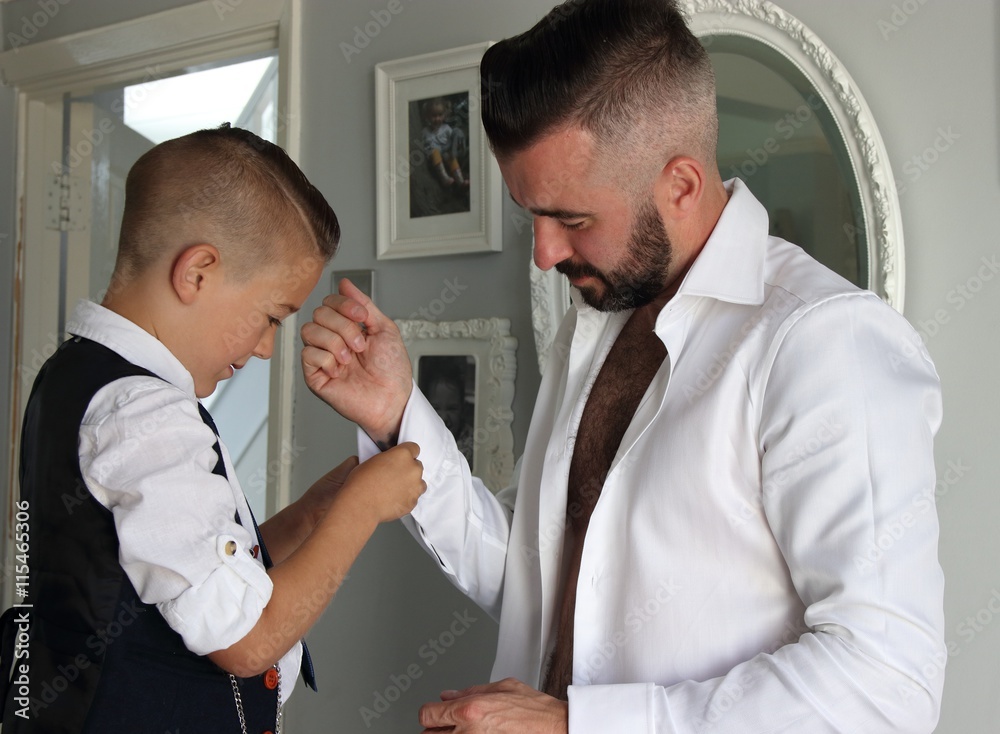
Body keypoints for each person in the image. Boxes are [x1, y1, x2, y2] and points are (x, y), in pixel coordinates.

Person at [300, 0, 946, 731]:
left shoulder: (826, 343)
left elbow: (887, 681)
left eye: (571, 220)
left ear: (681, 185)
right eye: (531, 216)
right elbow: (537, 579)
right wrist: (397, 416)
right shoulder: (600, 323)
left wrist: (578, 724)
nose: (544, 254)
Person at [0, 125, 425, 733]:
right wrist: (361, 509)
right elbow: (245, 641)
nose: (266, 348)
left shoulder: (85, 380)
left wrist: (316, 510)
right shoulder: (144, 416)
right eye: (271, 316)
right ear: (197, 272)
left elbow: (184, 566)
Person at [420, 97, 468, 190]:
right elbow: (426, 145)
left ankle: (460, 180)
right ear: (427, 116)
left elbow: (452, 141)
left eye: (440, 115)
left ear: (444, 115)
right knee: (435, 152)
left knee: (451, 156)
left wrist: (452, 150)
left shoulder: (446, 128)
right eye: (434, 116)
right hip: (434, 157)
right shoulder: (425, 131)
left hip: (446, 154)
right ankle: (444, 177)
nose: (437, 119)